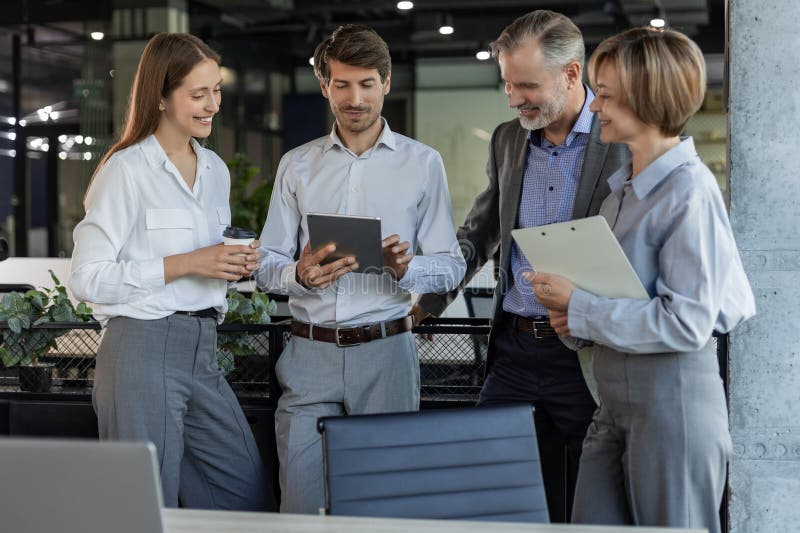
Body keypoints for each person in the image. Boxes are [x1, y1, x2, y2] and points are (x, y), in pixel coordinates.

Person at [529, 27, 755, 533]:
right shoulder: (621, 195)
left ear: (647, 96)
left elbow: (688, 322)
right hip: (613, 403)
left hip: (671, 406)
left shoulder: (688, 192)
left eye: (605, 95)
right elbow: (619, 303)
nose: (593, 107)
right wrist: (570, 316)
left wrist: (582, 306)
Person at [412, 10, 628, 522]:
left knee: (590, 499)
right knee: (490, 482)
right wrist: (430, 303)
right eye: (507, 84)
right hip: (512, 348)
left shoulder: (620, 139)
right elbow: (481, 232)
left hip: (586, 355)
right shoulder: (510, 138)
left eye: (526, 85)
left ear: (572, 74)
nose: (512, 98)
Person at [256, 24, 466, 514]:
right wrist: (298, 274)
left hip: (387, 355)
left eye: (367, 83)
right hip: (309, 355)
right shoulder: (297, 165)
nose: (355, 98)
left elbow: (451, 267)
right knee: (301, 507)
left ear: (386, 83)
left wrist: (405, 270)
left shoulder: (423, 163)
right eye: (342, 84)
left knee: (384, 506)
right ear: (326, 86)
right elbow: (266, 263)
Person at [69, 33, 268, 510]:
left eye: (216, 90)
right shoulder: (125, 170)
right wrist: (189, 263)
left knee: (242, 491)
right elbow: (86, 278)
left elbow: (206, 261)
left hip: (202, 349)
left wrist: (233, 264)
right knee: (144, 503)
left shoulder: (215, 169)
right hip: (141, 346)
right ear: (160, 96)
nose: (213, 105)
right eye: (198, 95)